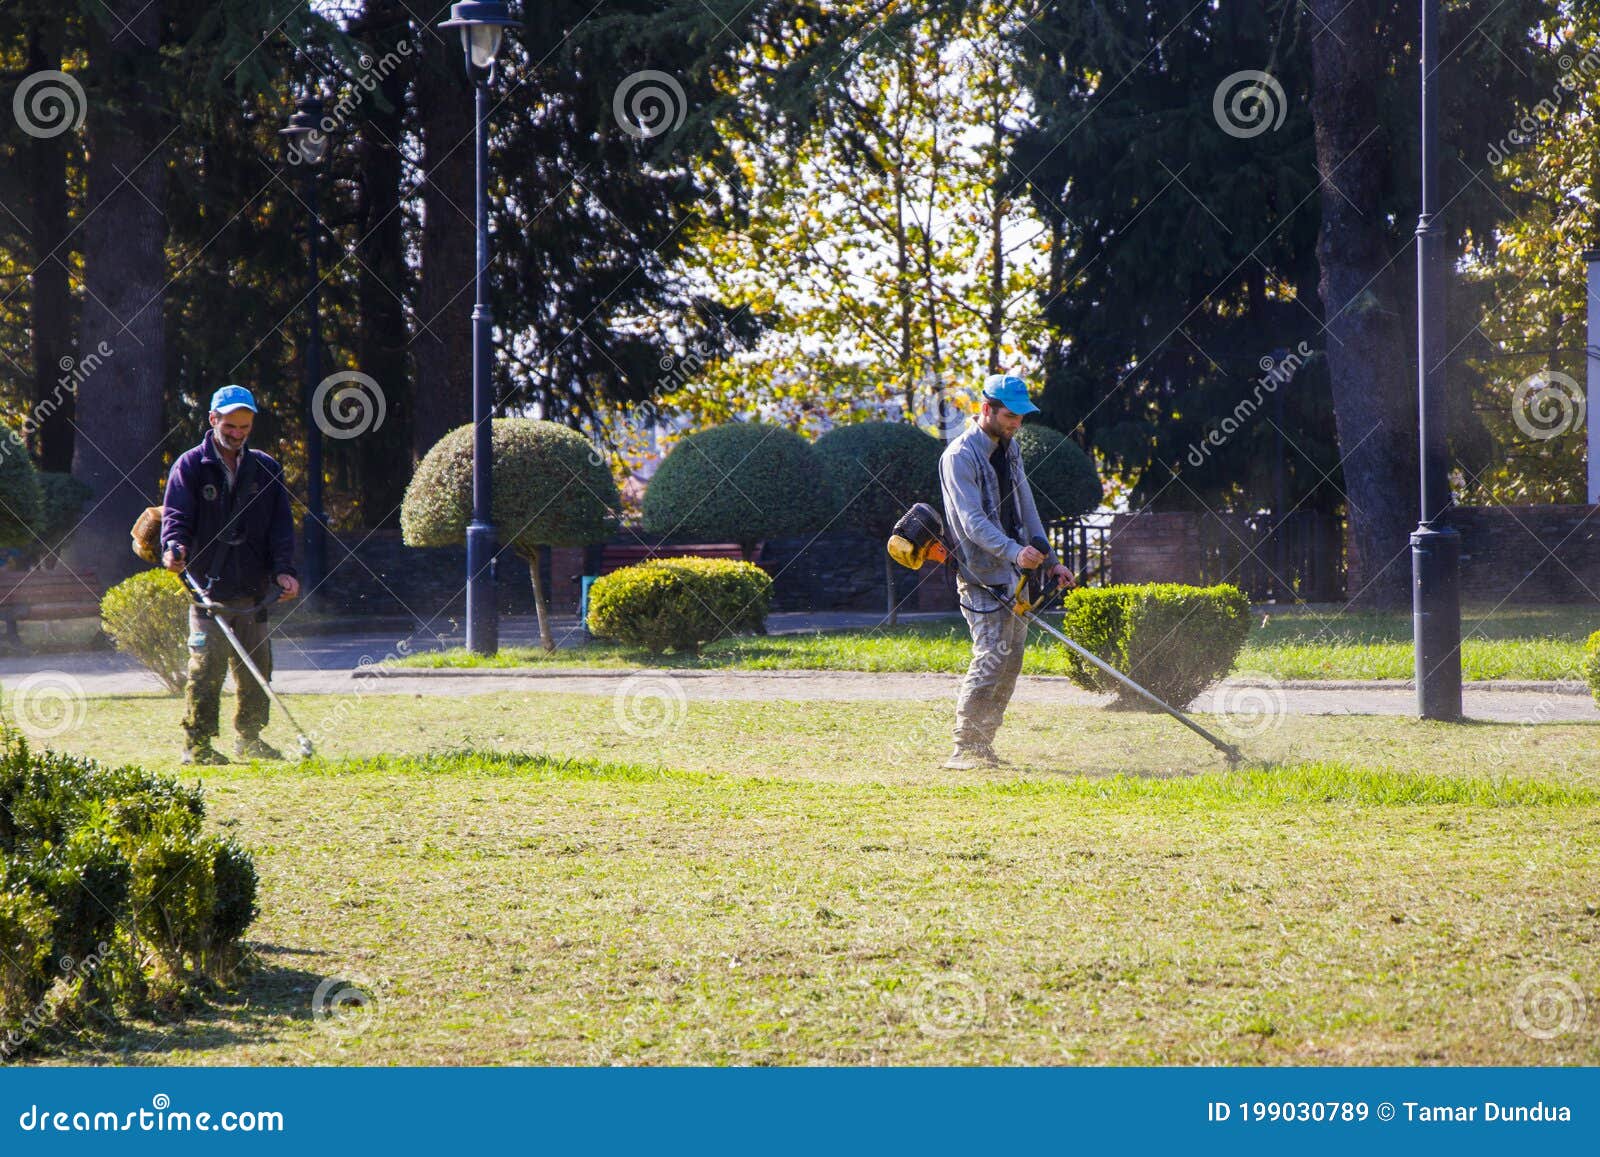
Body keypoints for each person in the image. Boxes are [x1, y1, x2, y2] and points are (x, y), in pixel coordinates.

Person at [937, 374, 1074, 769]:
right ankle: (964, 748)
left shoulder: (1010, 450)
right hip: (981, 575)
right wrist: (1016, 552)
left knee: (1011, 660)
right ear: (987, 410)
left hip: (1018, 575)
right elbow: (972, 521)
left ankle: (984, 746)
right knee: (990, 657)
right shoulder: (959, 457)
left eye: (1021, 417)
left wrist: (1050, 560)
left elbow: (1027, 507)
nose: (1016, 423)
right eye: (1010, 416)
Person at [161, 386, 300, 764]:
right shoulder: (190, 466)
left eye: (245, 426)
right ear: (213, 420)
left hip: (254, 591)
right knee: (205, 672)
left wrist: (285, 571)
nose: (238, 433)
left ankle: (250, 739)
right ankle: (198, 746)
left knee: (257, 671)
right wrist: (175, 549)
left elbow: (280, 529)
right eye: (231, 425)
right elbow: (176, 518)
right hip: (208, 589)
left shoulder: (267, 469)